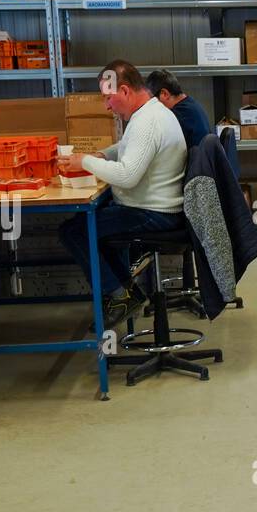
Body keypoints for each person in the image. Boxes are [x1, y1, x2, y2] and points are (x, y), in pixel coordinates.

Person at [57, 60, 189, 326]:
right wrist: (102, 154)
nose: (107, 106)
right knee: (91, 228)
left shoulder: (146, 122)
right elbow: (130, 146)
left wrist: (84, 161)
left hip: (154, 212)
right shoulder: (150, 112)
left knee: (74, 231)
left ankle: (121, 296)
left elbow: (127, 177)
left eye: (108, 98)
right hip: (158, 206)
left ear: (126, 91)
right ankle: (126, 293)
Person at [145, 69, 213, 150]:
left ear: (164, 94)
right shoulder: (191, 104)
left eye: (152, 99)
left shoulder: (177, 116)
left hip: (195, 161)